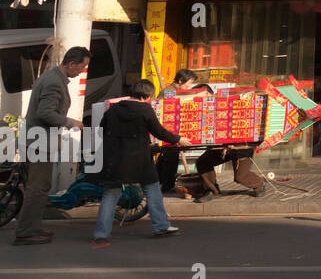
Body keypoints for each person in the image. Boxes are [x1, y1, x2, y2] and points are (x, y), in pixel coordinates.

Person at [92, 80, 193, 243]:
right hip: (139, 159)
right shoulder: (144, 109)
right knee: (152, 189)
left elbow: (102, 129)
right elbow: (159, 131)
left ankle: (101, 234)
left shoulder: (114, 109)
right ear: (146, 96)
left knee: (110, 195)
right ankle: (161, 226)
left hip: (114, 160)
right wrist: (178, 139)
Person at [12, 47, 88, 245]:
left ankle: (32, 227)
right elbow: (46, 113)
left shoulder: (53, 77)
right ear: (71, 64)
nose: (82, 70)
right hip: (39, 144)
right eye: (82, 66)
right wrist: (70, 122)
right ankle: (25, 232)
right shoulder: (54, 82)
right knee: (37, 189)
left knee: (41, 187)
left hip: (40, 141)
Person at [153, 70, 201, 193]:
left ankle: (159, 182)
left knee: (166, 157)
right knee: (170, 158)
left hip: (172, 131)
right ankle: (166, 186)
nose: (188, 87)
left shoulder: (174, 91)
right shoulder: (169, 92)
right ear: (180, 81)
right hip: (167, 131)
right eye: (188, 84)